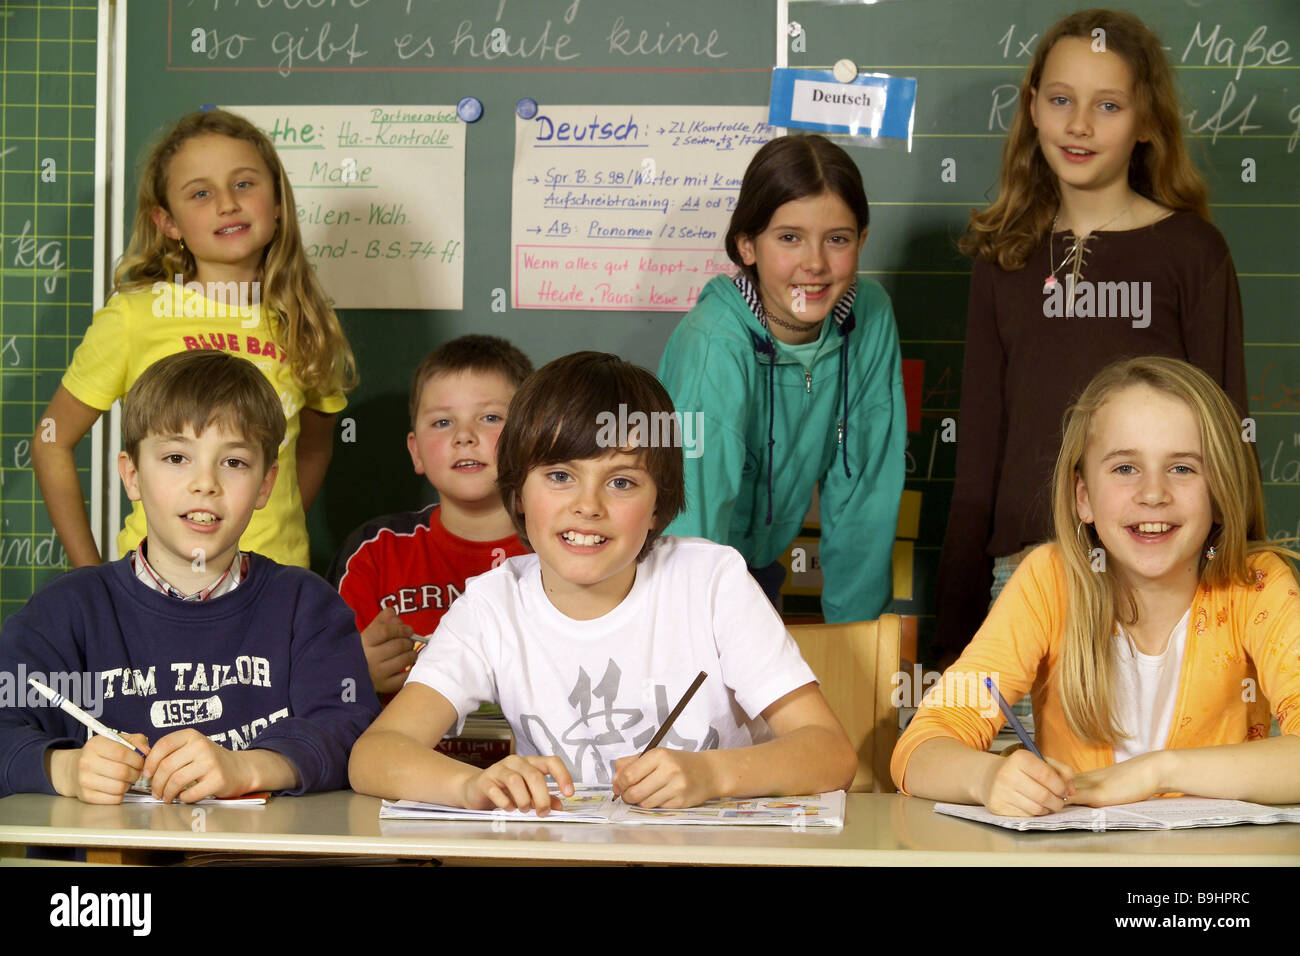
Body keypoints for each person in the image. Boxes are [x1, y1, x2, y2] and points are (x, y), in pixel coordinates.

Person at [348, 352, 857, 812]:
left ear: (659, 504)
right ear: (519, 493)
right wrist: (472, 785)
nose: (588, 506)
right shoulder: (493, 605)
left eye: (621, 482)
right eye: (560, 476)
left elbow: (830, 753)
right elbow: (374, 755)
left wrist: (713, 774)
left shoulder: (711, 583)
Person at [934, 9, 1248, 663]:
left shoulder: (1193, 254)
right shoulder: (1006, 258)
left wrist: (1237, 605)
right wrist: (951, 647)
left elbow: (1228, 448)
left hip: (1159, 587)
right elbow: (977, 469)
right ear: (1033, 109)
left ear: (1145, 123)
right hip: (1023, 581)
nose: (1079, 125)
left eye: (1107, 105)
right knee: (1027, 769)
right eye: (1061, 100)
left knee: (1151, 770)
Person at [893, 357, 1299, 816]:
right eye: (1125, 468)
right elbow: (919, 748)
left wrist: (1156, 772)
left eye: (1182, 469)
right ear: (1082, 497)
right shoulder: (1049, 581)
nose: (1153, 493)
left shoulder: (1256, 584)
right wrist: (987, 778)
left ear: (1222, 493)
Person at [0, 350, 378, 803]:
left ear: (265, 485)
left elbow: (349, 730)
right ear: (132, 475)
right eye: (177, 457)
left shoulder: (306, 607)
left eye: (234, 462)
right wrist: (61, 767)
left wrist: (247, 767)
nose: (205, 483)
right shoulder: (65, 613)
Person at [32, 108, 357, 570]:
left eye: (244, 183)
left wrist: (257, 523)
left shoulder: (306, 323)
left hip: (272, 589)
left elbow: (315, 446)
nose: (227, 203)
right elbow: (51, 440)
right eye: (200, 193)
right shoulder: (134, 318)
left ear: (278, 201)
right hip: (156, 590)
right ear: (168, 223)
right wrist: (91, 577)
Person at [657, 134, 905, 621]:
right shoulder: (713, 344)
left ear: (862, 241)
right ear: (747, 245)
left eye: (837, 238)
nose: (814, 263)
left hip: (760, 572)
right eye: (789, 237)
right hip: (682, 582)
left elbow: (864, 493)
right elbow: (694, 519)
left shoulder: (869, 317)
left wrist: (857, 645)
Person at [327, 335, 533, 697]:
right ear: (416, 452)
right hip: (397, 750)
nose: (464, 436)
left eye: (490, 417)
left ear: (531, 438)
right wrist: (354, 675)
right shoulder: (375, 553)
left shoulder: (562, 551)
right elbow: (319, 687)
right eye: (442, 423)